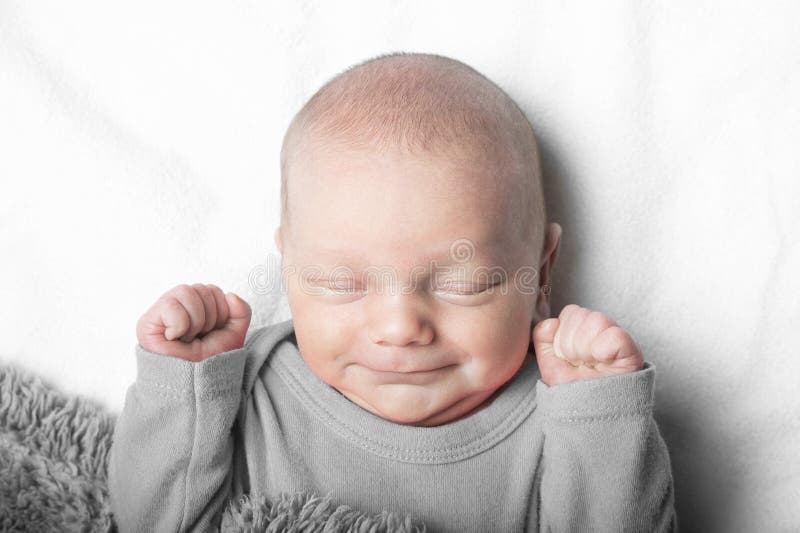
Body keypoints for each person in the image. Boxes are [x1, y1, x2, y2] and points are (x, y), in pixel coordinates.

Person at [108, 52, 677, 532]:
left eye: (464, 283)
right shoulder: (247, 389)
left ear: (541, 275)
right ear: (289, 269)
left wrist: (600, 418)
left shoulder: (560, 420)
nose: (402, 327)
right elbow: (149, 521)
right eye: (339, 282)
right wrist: (185, 392)